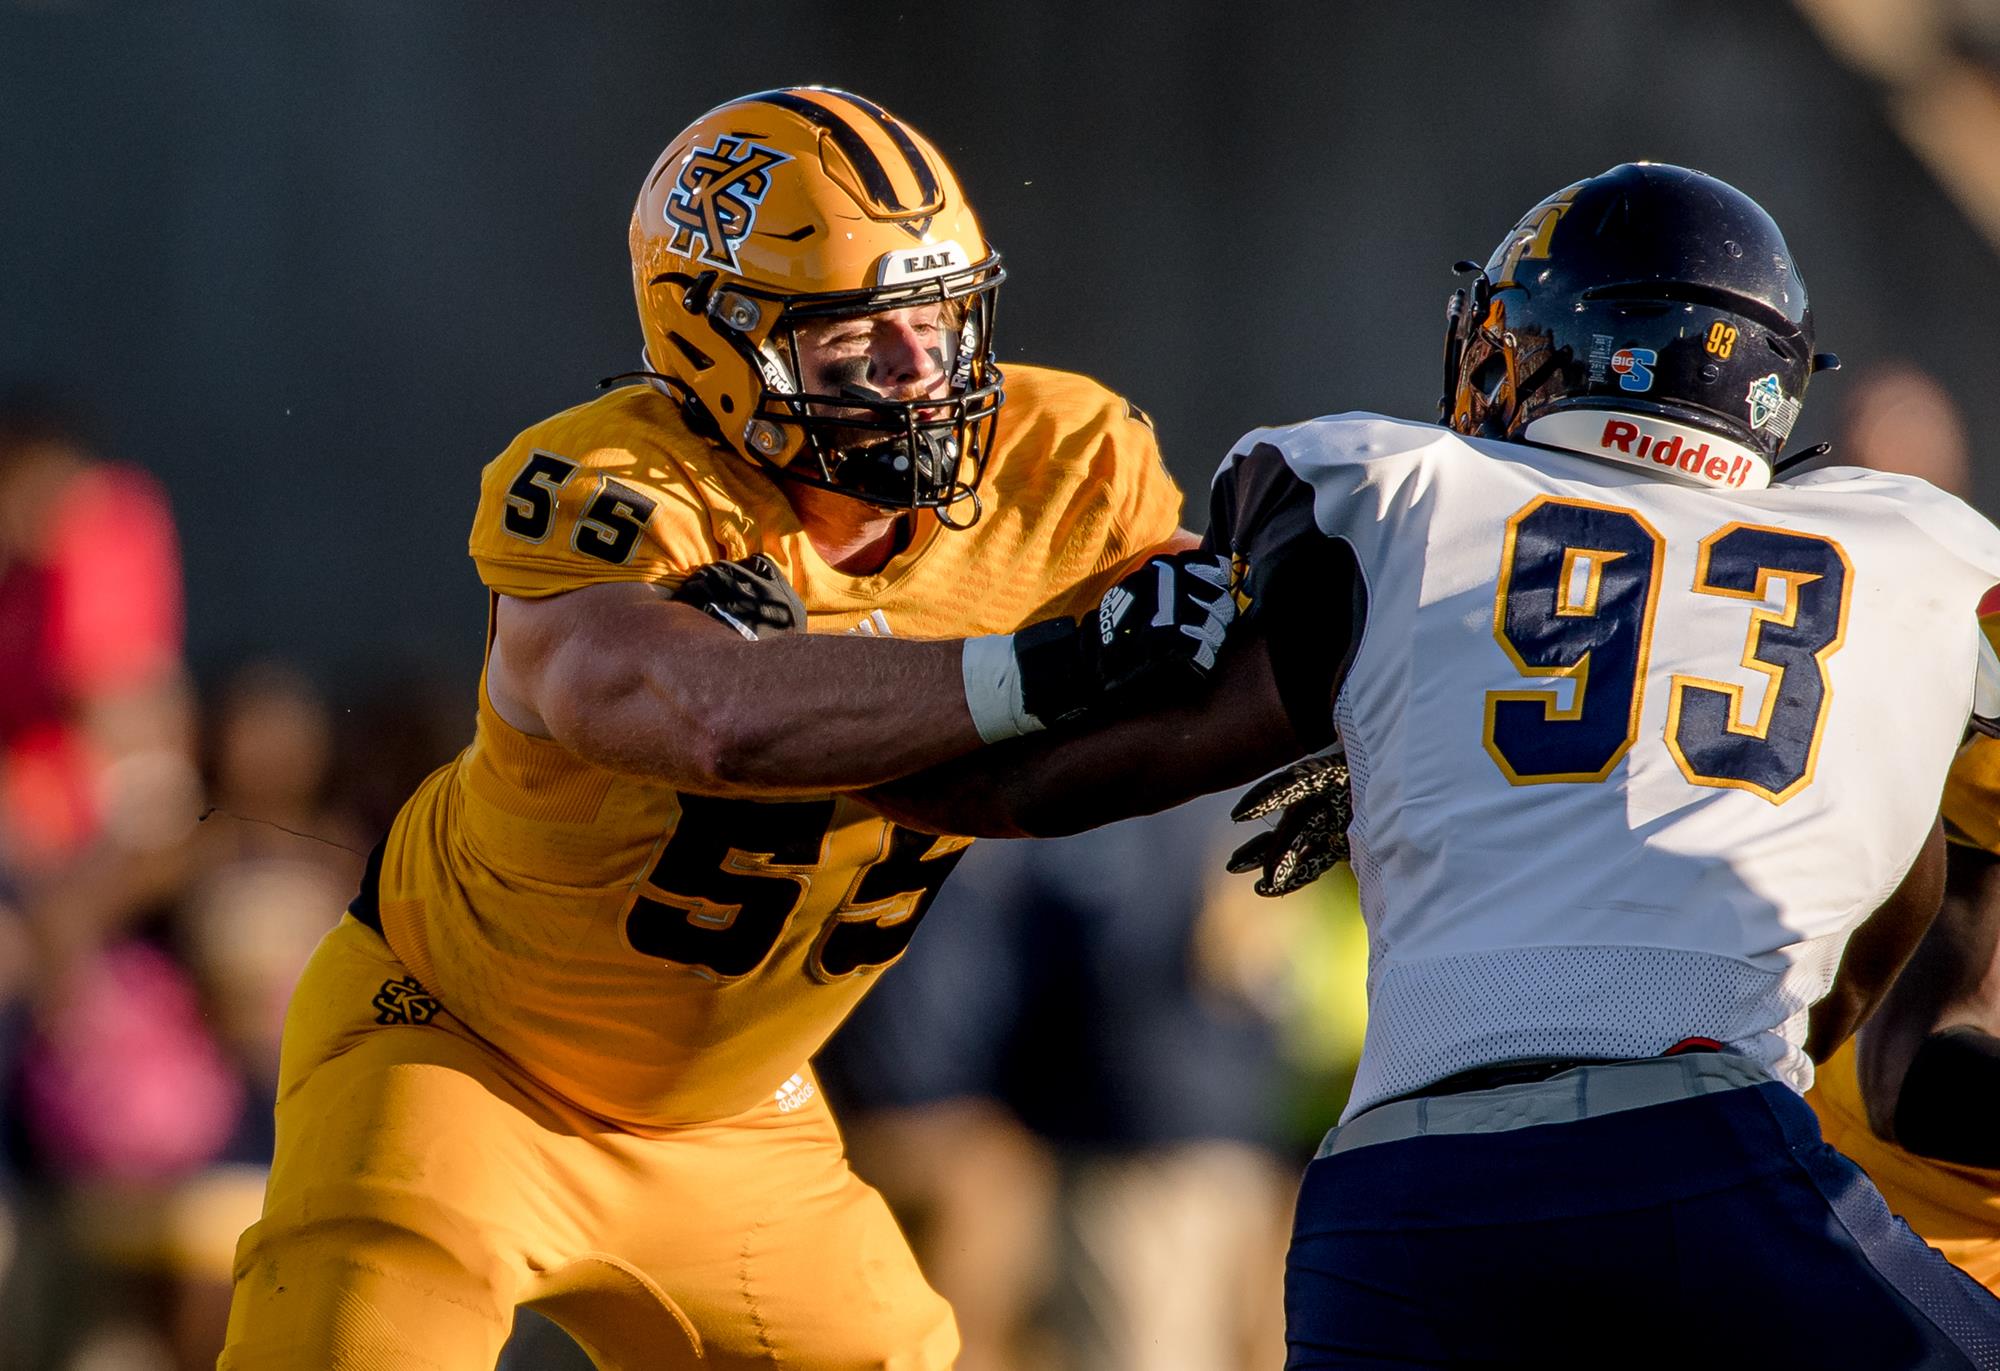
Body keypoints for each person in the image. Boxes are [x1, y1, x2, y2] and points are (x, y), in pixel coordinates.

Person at [861, 163, 2000, 1365]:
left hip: (1394, 1203)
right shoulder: (1913, 547)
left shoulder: (1388, 490)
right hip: (1702, 1147)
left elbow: (1040, 787)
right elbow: (1902, 876)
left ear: (1539, 346)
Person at [219, 86, 1233, 1370]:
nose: (923, 377)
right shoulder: (609, 484)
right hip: (461, 1052)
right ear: (712, 342)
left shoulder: (1063, 459)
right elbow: (695, 716)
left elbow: (1198, 640)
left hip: (736, 1110)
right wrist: (1042, 671)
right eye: (861, 342)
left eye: (939, 320)